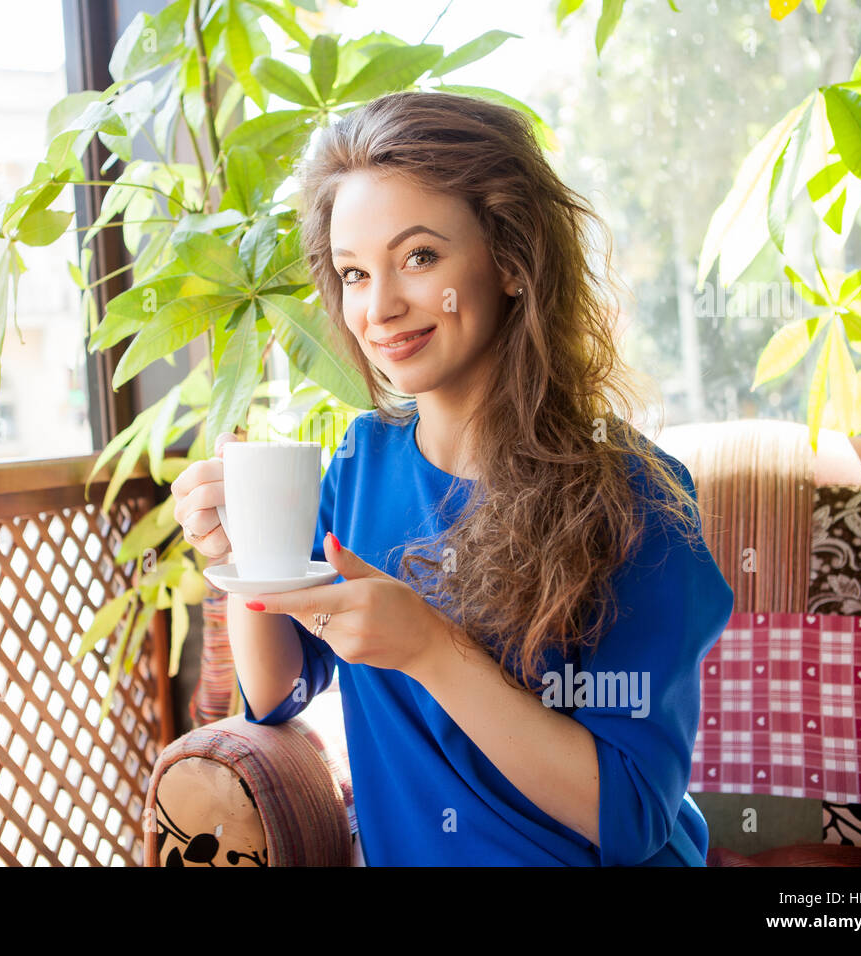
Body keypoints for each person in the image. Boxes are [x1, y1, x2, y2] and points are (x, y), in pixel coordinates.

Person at [170, 90, 734, 866]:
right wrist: (234, 556)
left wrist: (432, 650)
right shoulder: (361, 463)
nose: (381, 307)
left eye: (419, 257)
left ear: (510, 259)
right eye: (354, 273)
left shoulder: (635, 497)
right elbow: (278, 695)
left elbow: (631, 816)